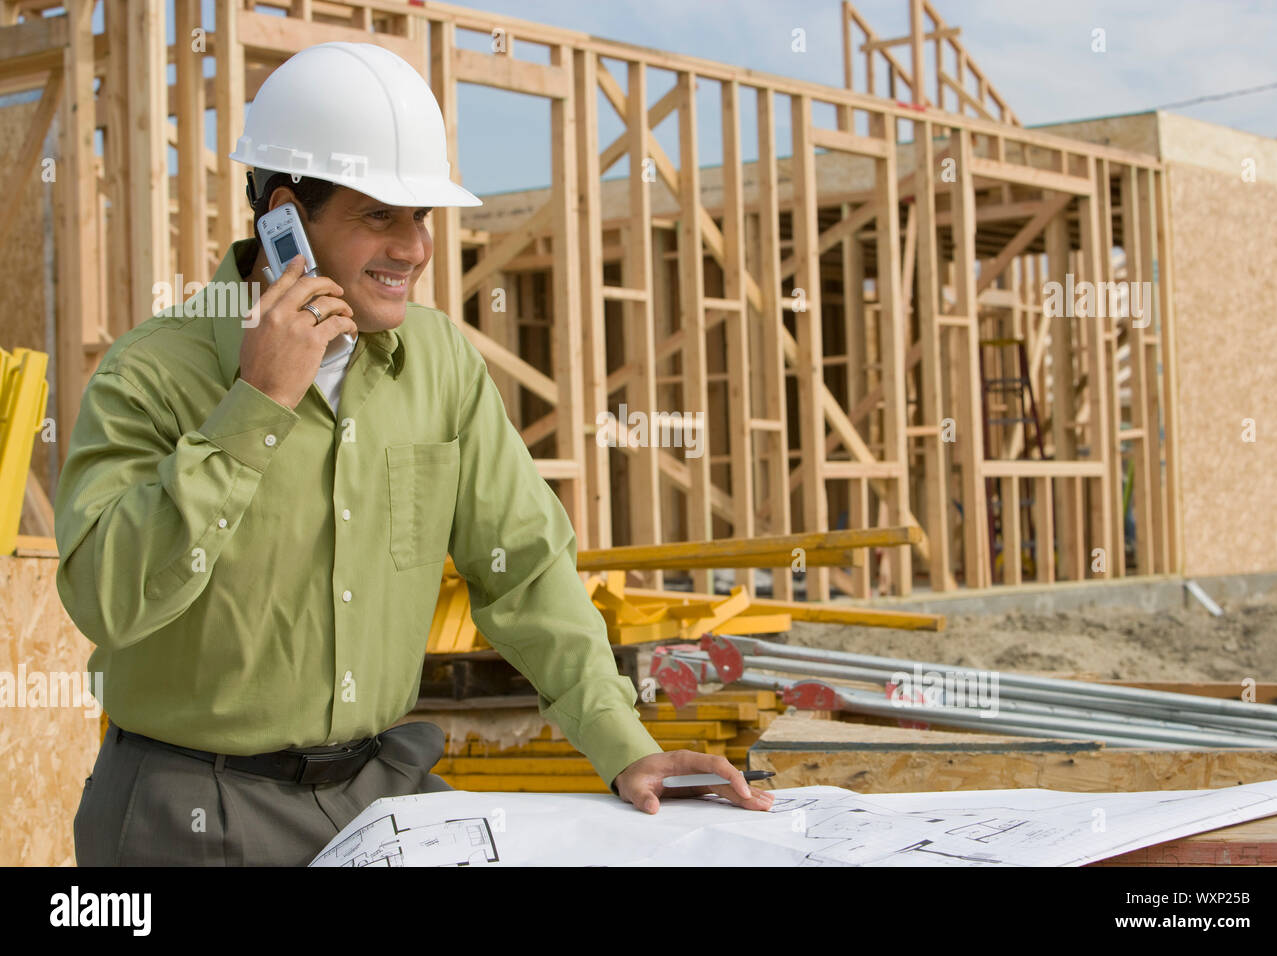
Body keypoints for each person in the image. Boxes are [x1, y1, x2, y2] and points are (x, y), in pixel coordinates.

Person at [54, 41, 770, 867]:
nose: (415, 248)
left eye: (420, 217)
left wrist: (622, 742)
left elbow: (525, 571)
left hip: (375, 798)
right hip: (189, 812)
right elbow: (105, 600)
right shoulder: (151, 371)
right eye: (378, 216)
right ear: (284, 214)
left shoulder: (440, 364)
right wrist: (255, 407)